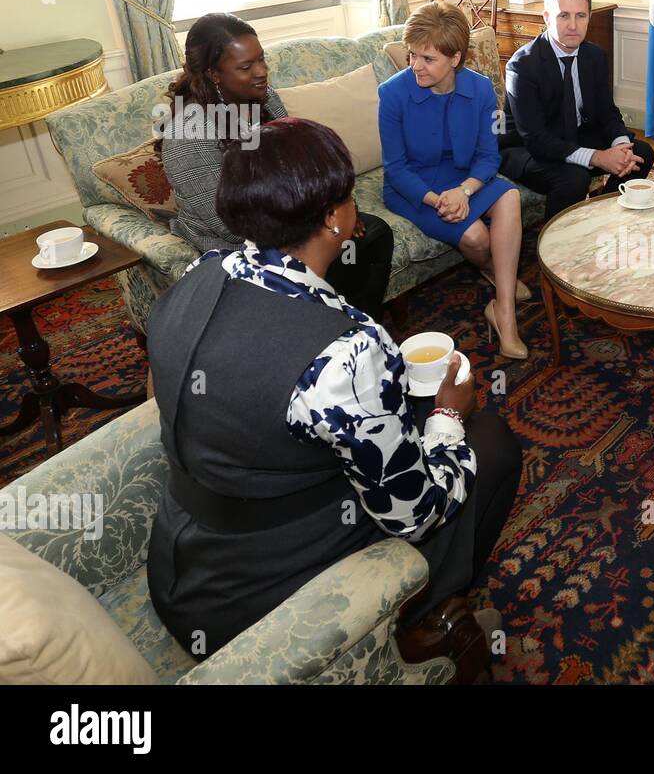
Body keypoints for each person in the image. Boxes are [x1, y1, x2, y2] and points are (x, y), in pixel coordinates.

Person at [146, 118, 523, 667]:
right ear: (333, 217)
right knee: (492, 442)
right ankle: (424, 619)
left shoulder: (201, 272)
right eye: (348, 195)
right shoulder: (348, 350)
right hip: (266, 596)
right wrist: (446, 414)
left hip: (186, 561)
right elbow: (414, 513)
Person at [158, 12, 394, 323]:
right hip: (236, 244)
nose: (261, 72)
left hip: (287, 217)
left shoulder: (262, 99)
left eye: (261, 60)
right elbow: (227, 222)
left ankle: (353, 327)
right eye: (246, 67)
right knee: (331, 251)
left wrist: (342, 205)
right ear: (214, 74)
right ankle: (321, 332)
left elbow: (306, 161)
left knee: (373, 234)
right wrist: (315, 224)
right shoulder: (189, 134)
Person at [378, 2, 529, 360]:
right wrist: (437, 200)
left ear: (456, 58)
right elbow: (396, 168)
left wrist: (464, 191)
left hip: (465, 180)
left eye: (428, 59)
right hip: (413, 187)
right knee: (476, 236)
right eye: (412, 55)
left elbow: (489, 156)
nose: (415, 66)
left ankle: (503, 311)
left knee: (509, 197)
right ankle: (498, 271)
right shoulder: (393, 94)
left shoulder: (480, 90)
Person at [499, 0, 654, 220]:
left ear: (589, 17)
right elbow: (536, 139)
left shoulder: (595, 56)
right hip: (526, 149)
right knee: (574, 177)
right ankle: (555, 247)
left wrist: (620, 146)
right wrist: (597, 157)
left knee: (640, 152)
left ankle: (606, 217)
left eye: (580, 16)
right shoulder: (522, 66)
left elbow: (607, 112)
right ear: (547, 17)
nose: (573, 26)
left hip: (571, 134)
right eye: (563, 16)